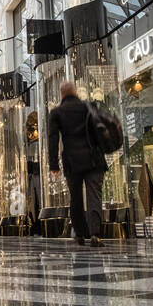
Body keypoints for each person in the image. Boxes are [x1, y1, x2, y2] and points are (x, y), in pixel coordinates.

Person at [46, 80, 108, 247]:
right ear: (76, 92)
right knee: (94, 195)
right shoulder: (89, 106)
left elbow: (53, 139)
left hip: (73, 161)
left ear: (61, 94)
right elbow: (99, 130)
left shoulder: (57, 112)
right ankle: (95, 234)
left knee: (76, 197)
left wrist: (53, 165)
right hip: (94, 159)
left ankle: (80, 233)